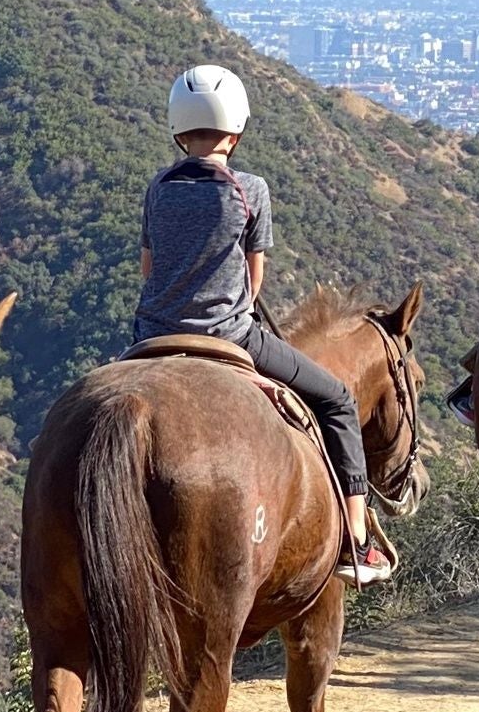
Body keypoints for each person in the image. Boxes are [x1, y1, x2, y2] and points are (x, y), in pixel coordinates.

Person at [137, 63, 392, 582]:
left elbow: (149, 269)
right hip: (230, 334)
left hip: (153, 335)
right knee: (339, 400)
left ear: (177, 127)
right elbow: (254, 280)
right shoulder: (249, 188)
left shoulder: (158, 186)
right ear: (237, 129)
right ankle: (357, 541)